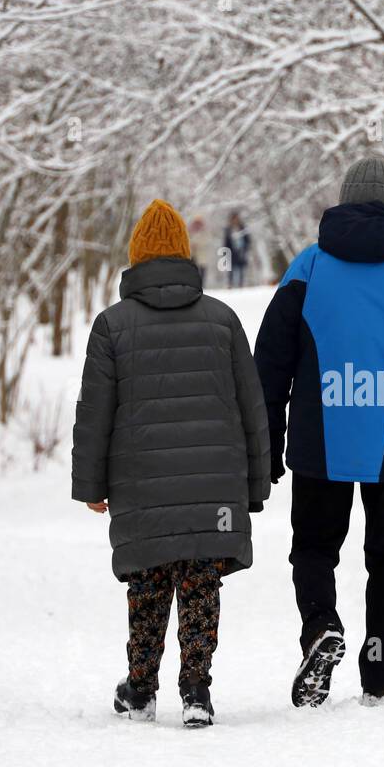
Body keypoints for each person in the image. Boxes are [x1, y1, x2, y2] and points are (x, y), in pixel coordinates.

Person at [253, 157, 384, 707]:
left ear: (344, 200)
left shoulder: (307, 269)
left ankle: (321, 628)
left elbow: (270, 366)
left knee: (314, 549)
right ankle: (379, 669)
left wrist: (267, 441)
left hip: (319, 438)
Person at [71, 199, 271, 728]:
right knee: (202, 582)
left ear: (136, 259)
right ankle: (197, 691)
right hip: (214, 490)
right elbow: (253, 410)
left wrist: (90, 484)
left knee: (148, 584)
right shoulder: (222, 321)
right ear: (184, 256)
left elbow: (95, 414)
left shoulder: (111, 327)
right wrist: (254, 486)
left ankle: (140, 690)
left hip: (140, 490)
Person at [222, 211, 252, 288]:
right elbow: (225, 241)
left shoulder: (242, 227)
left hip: (241, 250)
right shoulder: (228, 229)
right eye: (234, 218)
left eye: (236, 218)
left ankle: (240, 283)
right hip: (231, 251)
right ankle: (230, 283)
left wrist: (246, 248)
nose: (235, 220)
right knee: (230, 268)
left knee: (241, 267)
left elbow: (247, 239)